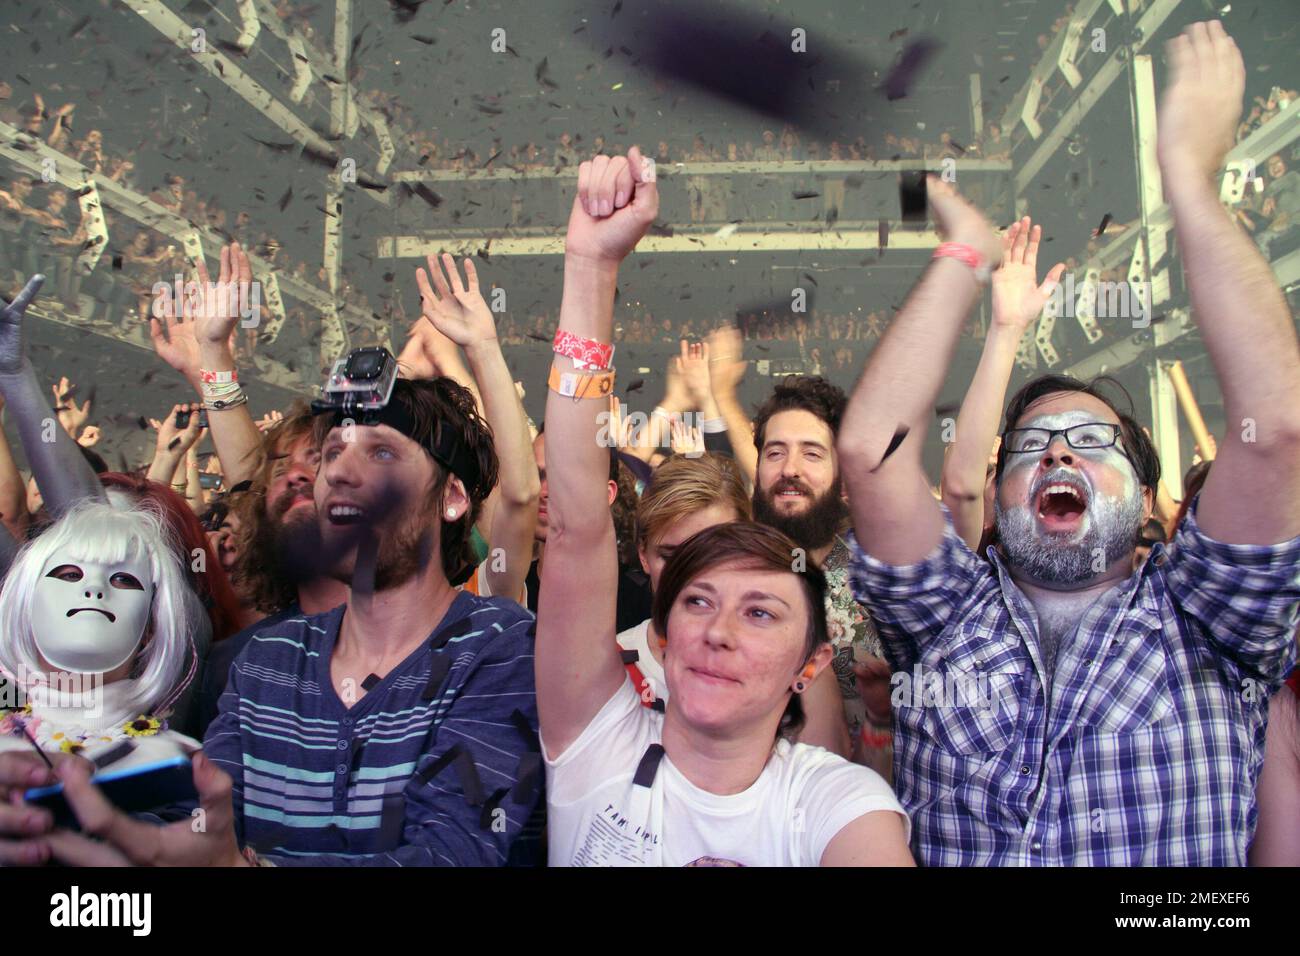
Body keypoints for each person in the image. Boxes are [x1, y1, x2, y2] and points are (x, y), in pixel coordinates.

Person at [838, 21, 1300, 866]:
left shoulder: (1210, 621)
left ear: (1141, 481)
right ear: (999, 484)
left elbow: (1274, 427)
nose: (1057, 455)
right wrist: (960, 255)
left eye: (1092, 441)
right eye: (1033, 446)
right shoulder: (942, 620)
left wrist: (1188, 182)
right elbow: (870, 450)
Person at [537, 145, 911, 866]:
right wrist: (590, 269)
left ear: (811, 664)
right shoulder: (594, 738)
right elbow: (580, 526)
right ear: (665, 633)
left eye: (762, 612)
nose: (719, 630)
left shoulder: (836, 803)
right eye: (698, 601)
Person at [44, 375, 543, 866]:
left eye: (382, 453)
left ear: (451, 497)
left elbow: (451, 853)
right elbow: (205, 819)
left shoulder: (498, 646)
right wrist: (60, 817)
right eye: (332, 454)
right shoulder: (269, 660)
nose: (341, 474)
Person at [0, 501, 205, 788]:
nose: (94, 588)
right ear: (26, 605)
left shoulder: (174, 763)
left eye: (123, 579)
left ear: (151, 625)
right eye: (70, 574)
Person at [749, 375, 875, 770]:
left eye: (812, 454)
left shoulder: (883, 585)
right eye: (775, 453)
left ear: (843, 478)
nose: (790, 469)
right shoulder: (727, 578)